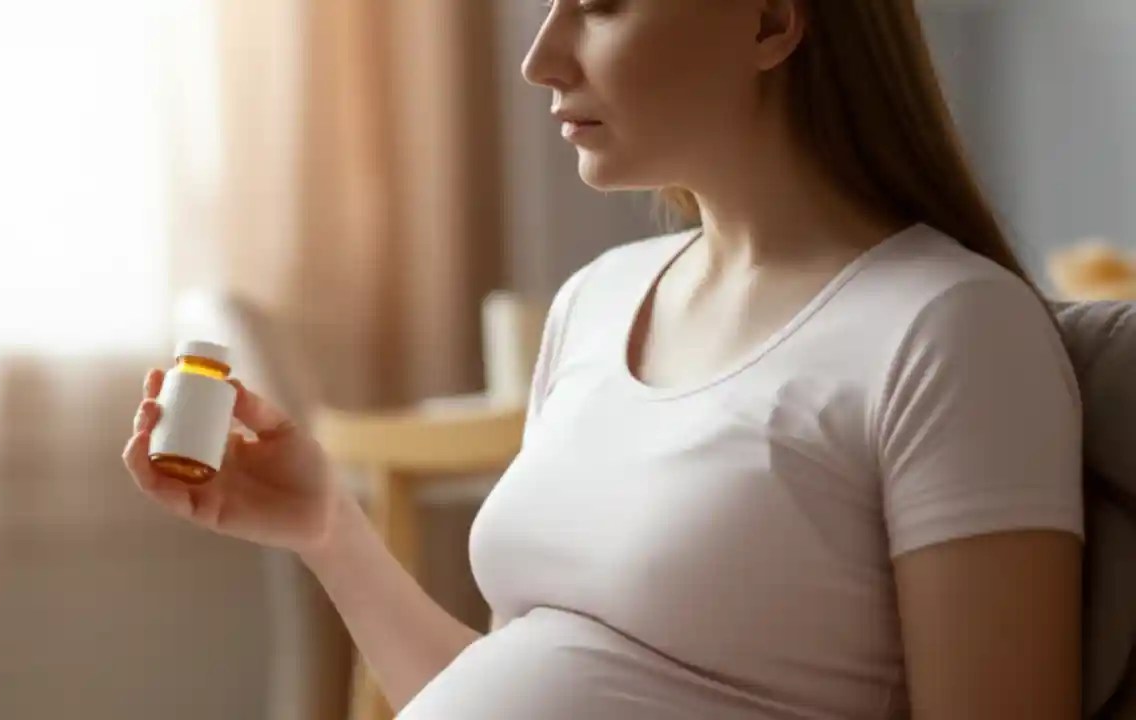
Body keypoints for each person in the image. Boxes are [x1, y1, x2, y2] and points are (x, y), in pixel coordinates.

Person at [123, 1, 1084, 717]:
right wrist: (325, 525)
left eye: (604, 4)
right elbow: (520, 680)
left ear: (770, 21)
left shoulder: (950, 330)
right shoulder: (598, 300)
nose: (543, 58)